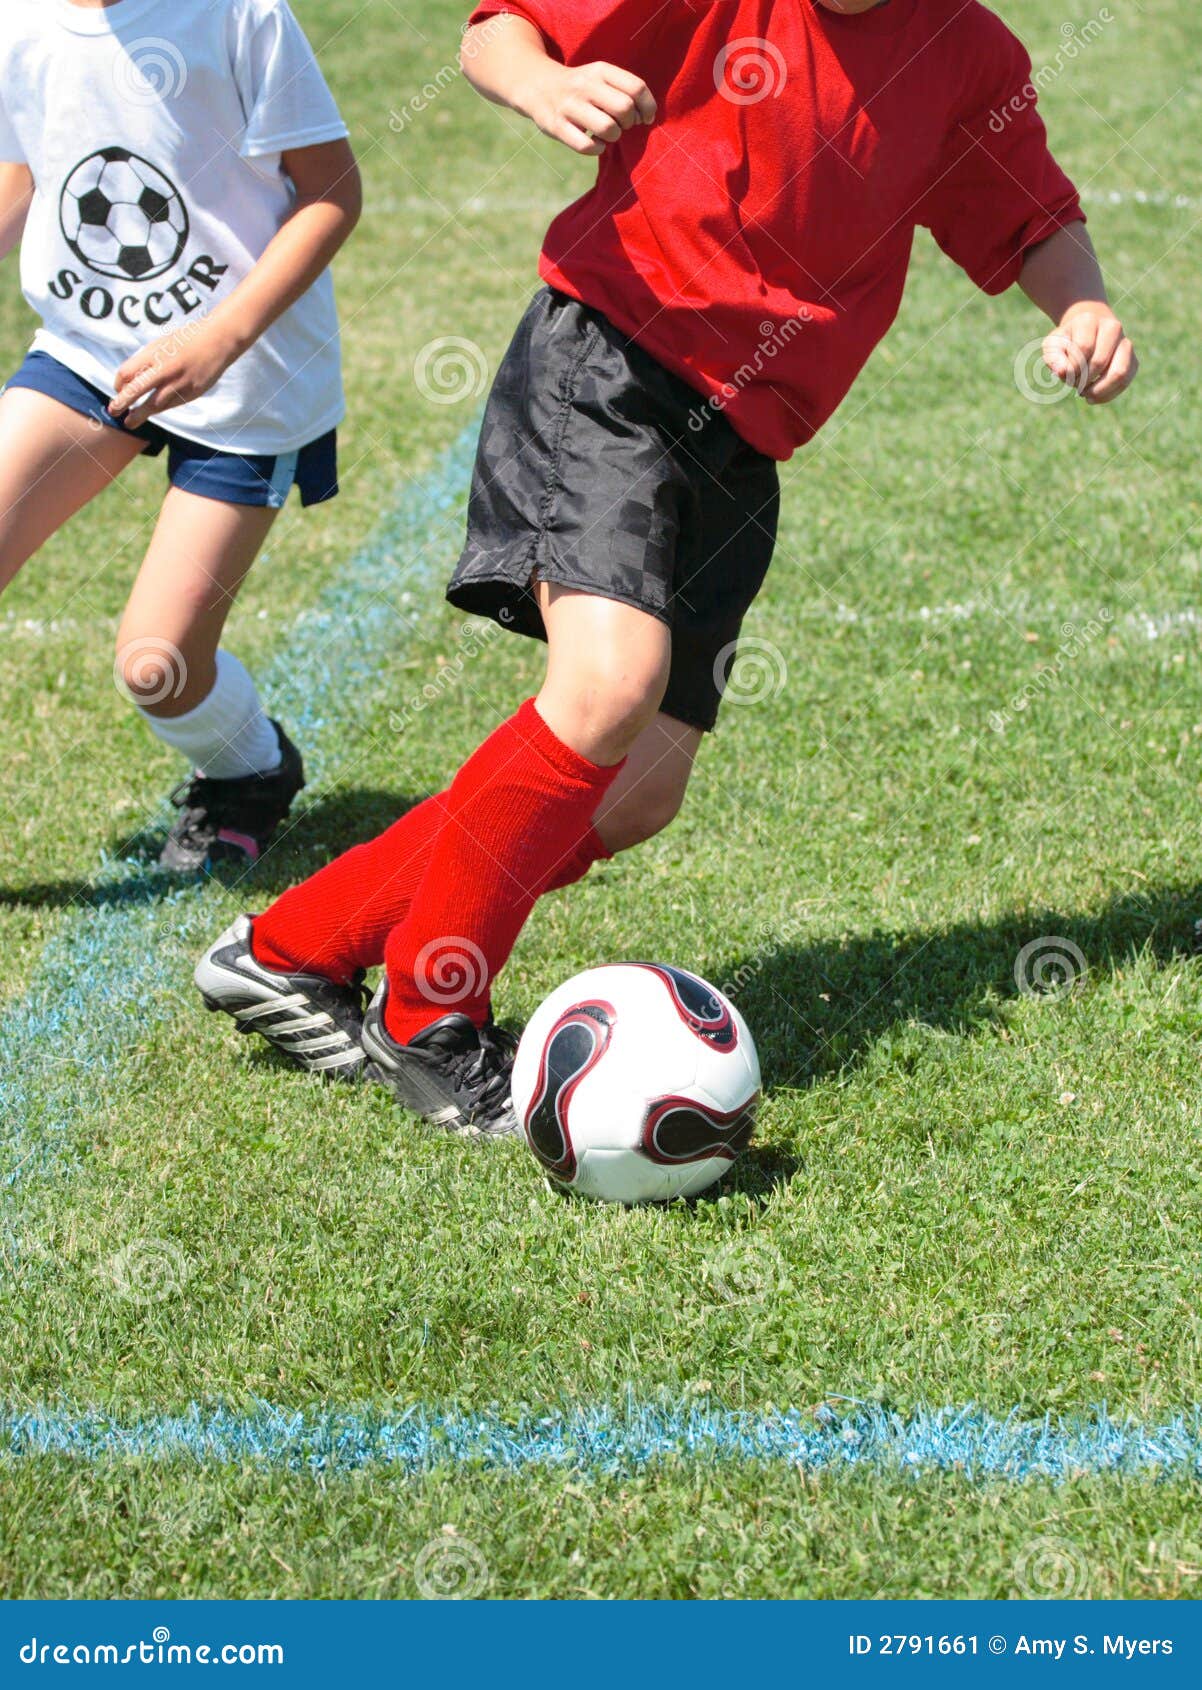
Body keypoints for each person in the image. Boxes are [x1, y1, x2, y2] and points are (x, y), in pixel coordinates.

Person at [195, 0, 1137, 1127]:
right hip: (612, 364)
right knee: (604, 687)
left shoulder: (966, 52)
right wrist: (544, 84)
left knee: (638, 789)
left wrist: (1078, 301)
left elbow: (1029, 217)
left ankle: (290, 947)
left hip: (745, 440)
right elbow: (498, 28)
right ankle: (430, 1018)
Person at [0, 0, 360, 870]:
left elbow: (333, 190)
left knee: (155, 665)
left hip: (245, 372)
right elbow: (22, 166)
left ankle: (250, 774)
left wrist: (220, 338)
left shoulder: (239, 15)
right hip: (90, 348)